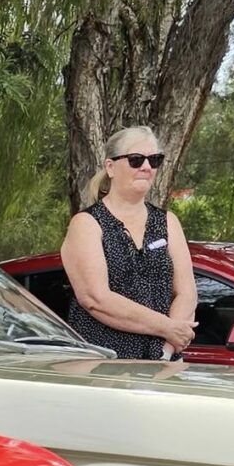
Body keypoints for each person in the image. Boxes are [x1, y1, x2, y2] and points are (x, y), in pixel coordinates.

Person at [58, 126, 195, 360]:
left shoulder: (168, 222)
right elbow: (96, 299)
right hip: (103, 363)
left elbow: (187, 293)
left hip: (162, 364)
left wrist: (166, 351)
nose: (146, 167)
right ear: (110, 167)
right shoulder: (87, 224)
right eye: (136, 159)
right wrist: (166, 327)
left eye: (154, 160)